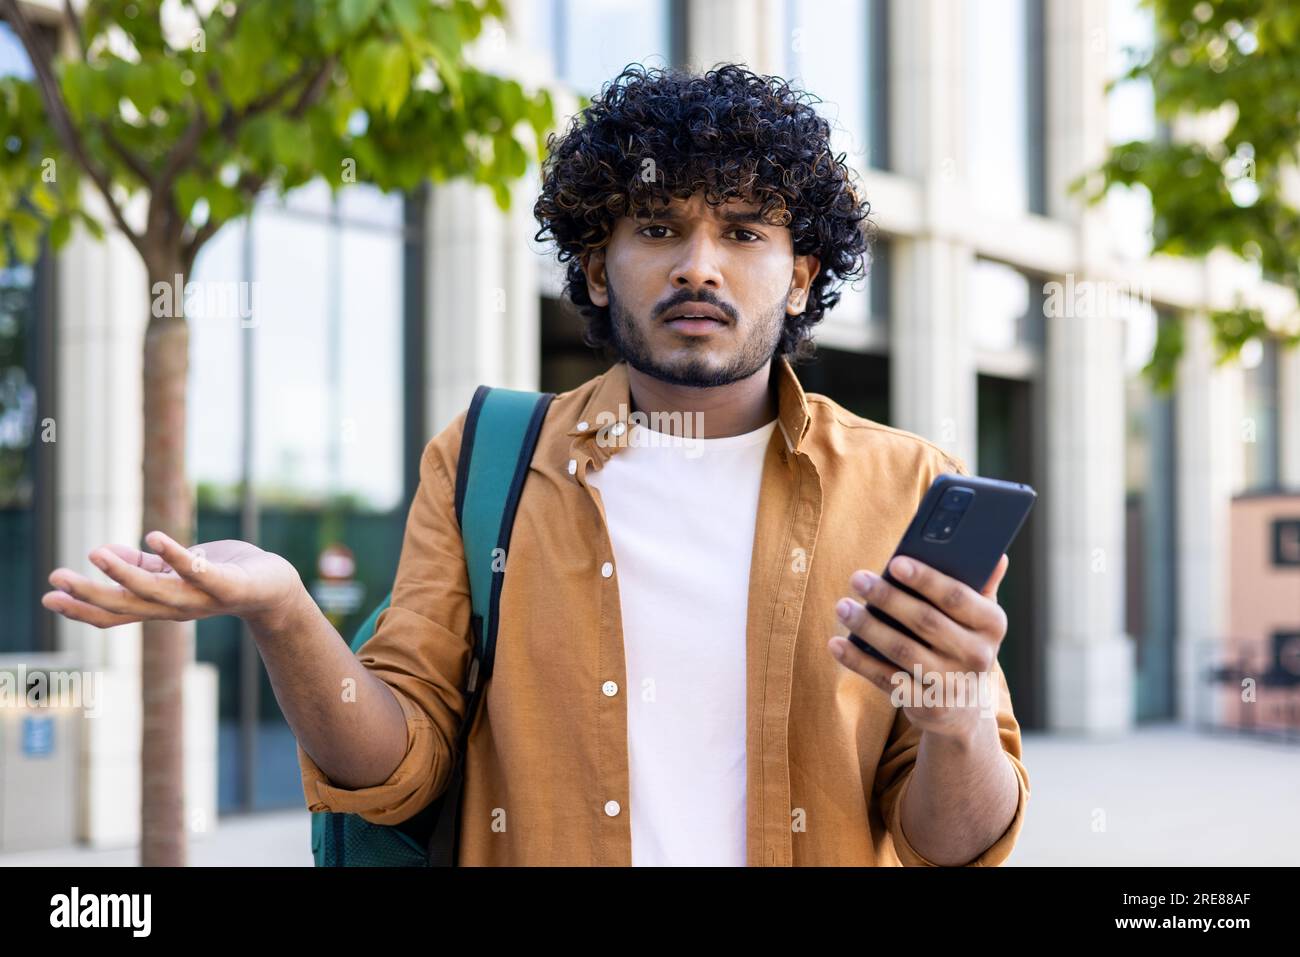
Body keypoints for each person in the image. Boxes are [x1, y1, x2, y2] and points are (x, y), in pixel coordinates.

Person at [43, 63, 1028, 866]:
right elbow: (399, 769)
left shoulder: (907, 485)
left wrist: (953, 715)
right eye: (656, 228)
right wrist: (285, 612)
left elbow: (956, 846)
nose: (698, 265)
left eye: (742, 231)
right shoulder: (486, 460)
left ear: (800, 273)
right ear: (598, 267)